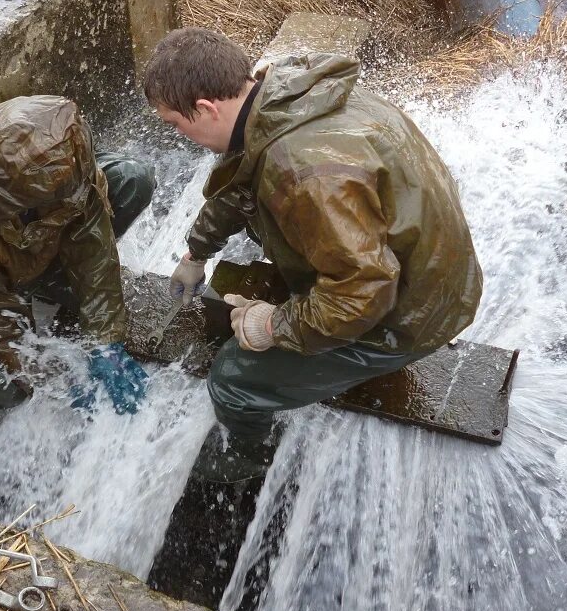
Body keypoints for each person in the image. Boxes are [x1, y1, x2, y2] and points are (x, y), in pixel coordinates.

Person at [143, 28, 482, 478]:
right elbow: (239, 181)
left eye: (175, 123)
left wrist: (273, 325)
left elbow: (360, 295)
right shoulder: (284, 97)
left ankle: (250, 461)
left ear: (205, 109)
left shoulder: (301, 169)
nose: (179, 135)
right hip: (417, 269)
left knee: (231, 379)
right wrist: (195, 253)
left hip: (410, 314)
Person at [0, 95, 154, 413]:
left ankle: (50, 282)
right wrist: (51, 374)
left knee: (132, 178)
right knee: (4, 390)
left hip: (32, 242)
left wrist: (105, 340)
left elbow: (91, 239)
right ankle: (34, 290)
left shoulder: (68, 137)